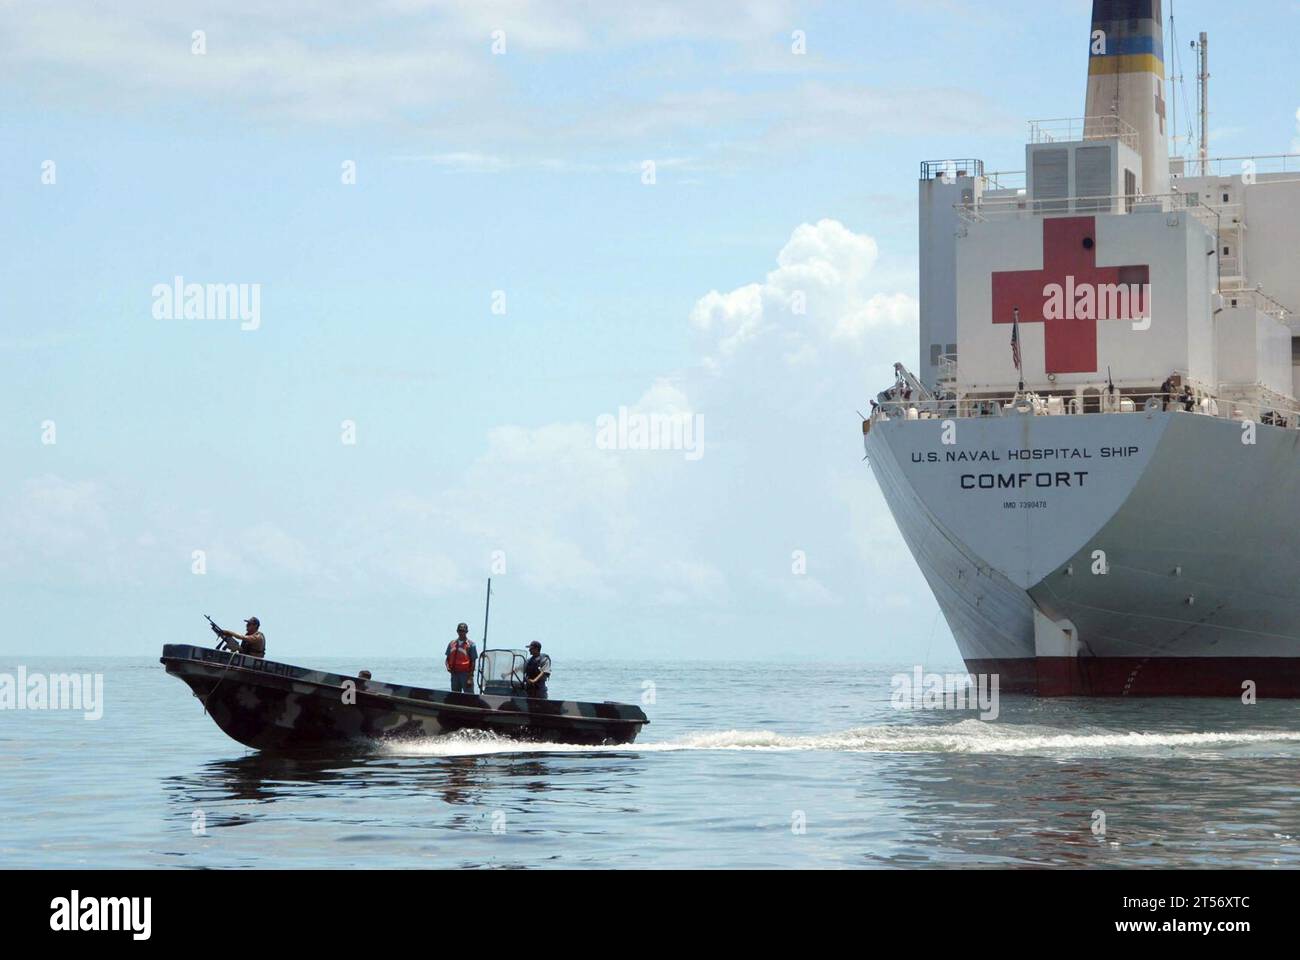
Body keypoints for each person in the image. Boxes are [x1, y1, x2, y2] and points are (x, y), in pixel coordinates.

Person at [445, 623, 477, 694]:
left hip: (466, 674)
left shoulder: (471, 645)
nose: (461, 632)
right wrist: (448, 667)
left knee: (469, 695)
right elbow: (447, 659)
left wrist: (470, 677)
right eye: (460, 630)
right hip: (454, 674)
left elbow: (473, 661)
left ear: (466, 632)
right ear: (457, 631)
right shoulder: (452, 643)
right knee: (455, 695)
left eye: (463, 631)